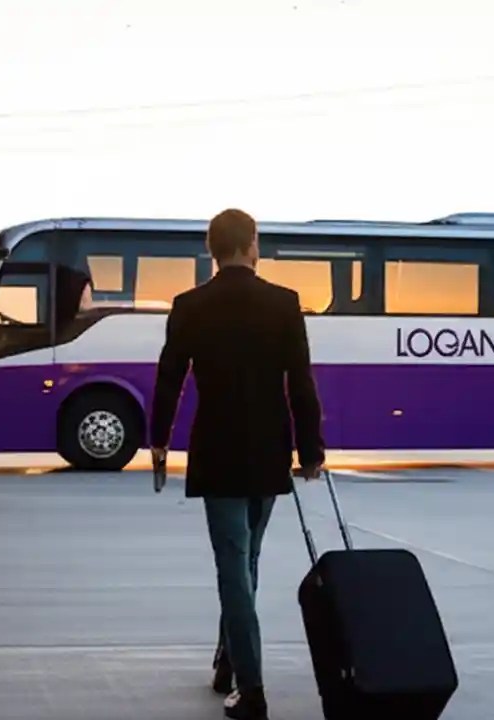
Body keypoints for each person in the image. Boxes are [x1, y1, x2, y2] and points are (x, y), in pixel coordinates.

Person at [150, 208, 325, 720]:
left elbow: (169, 379)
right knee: (246, 562)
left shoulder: (189, 306)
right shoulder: (284, 303)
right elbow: (302, 384)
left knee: (234, 565)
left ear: (212, 250)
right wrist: (310, 450)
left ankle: (251, 690)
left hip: (219, 453)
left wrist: (158, 441)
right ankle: (229, 662)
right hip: (269, 451)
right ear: (251, 245)